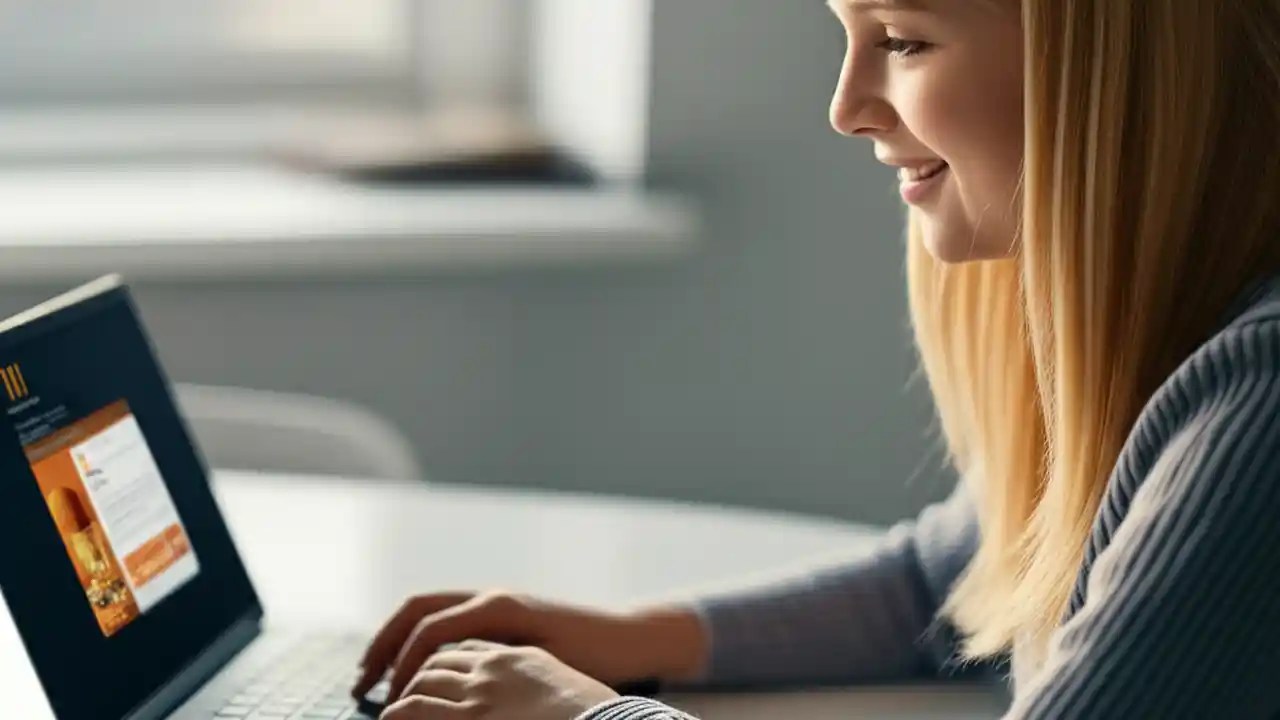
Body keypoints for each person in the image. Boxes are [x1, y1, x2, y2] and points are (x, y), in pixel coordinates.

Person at [353, 0, 1280, 717]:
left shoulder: (1259, 401)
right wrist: (633, 636)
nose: (845, 108)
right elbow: (945, 579)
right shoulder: (1165, 331)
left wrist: (593, 716)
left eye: (905, 39)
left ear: (1123, 70)